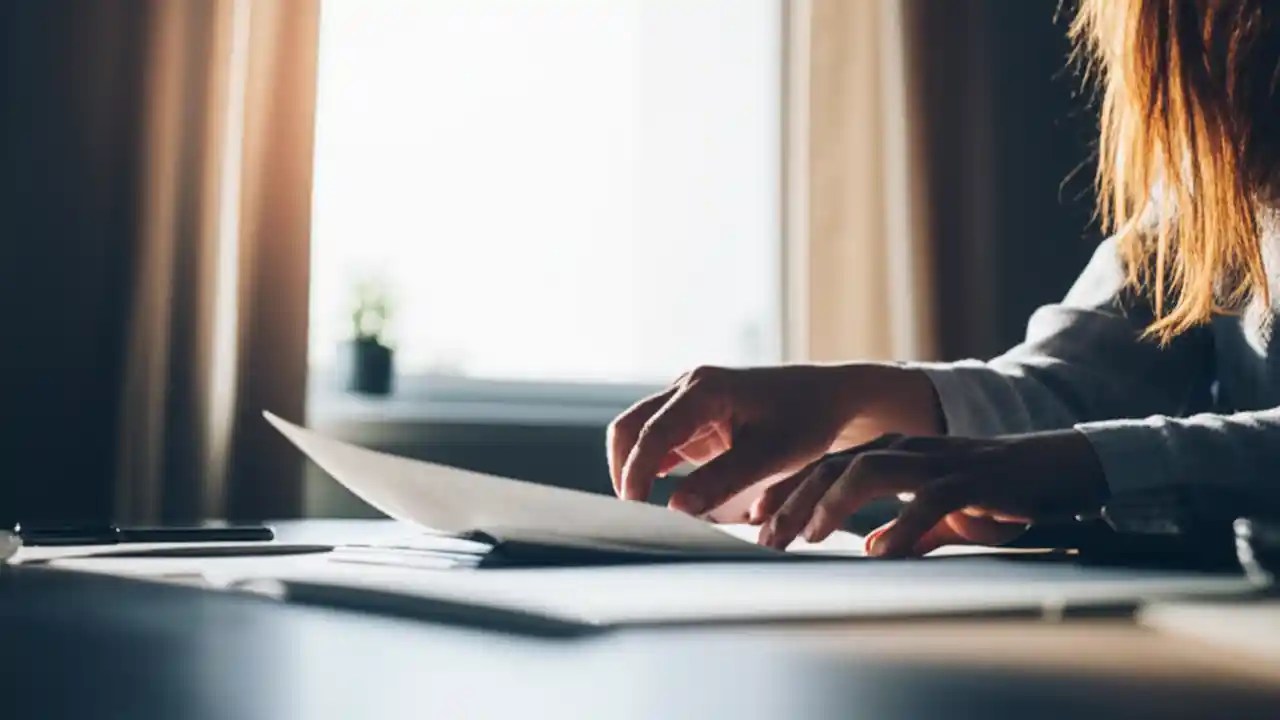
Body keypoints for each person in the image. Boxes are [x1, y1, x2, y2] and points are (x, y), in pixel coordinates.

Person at [607, 0, 1280, 558]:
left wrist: (1073, 465)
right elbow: (1082, 384)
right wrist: (851, 396)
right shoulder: (1210, 125)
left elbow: (1071, 444)